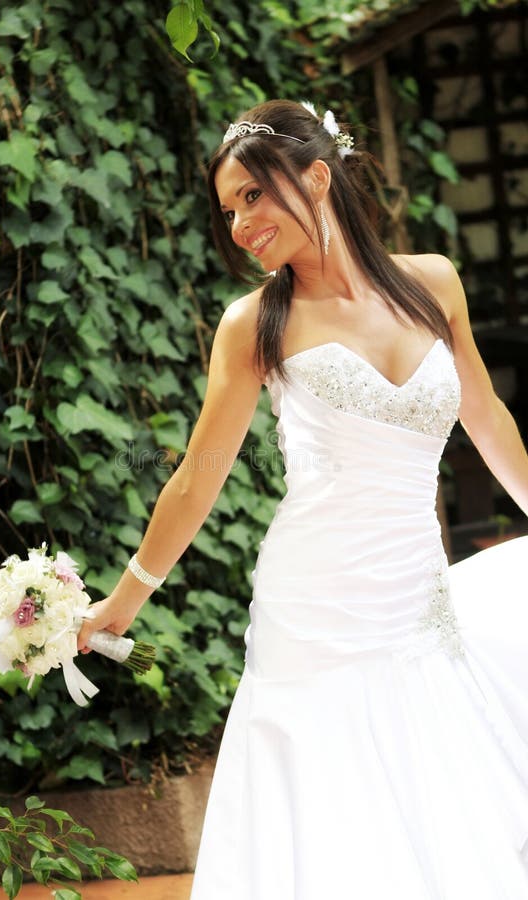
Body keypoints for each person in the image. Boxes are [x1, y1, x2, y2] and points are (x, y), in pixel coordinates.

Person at [78, 99, 528, 898]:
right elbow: (200, 470)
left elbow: (486, 419)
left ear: (317, 176)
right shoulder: (254, 324)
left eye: (253, 195)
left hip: (416, 596)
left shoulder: (434, 283)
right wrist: (127, 597)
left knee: (439, 797)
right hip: (313, 608)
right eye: (229, 209)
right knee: (333, 819)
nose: (241, 224)